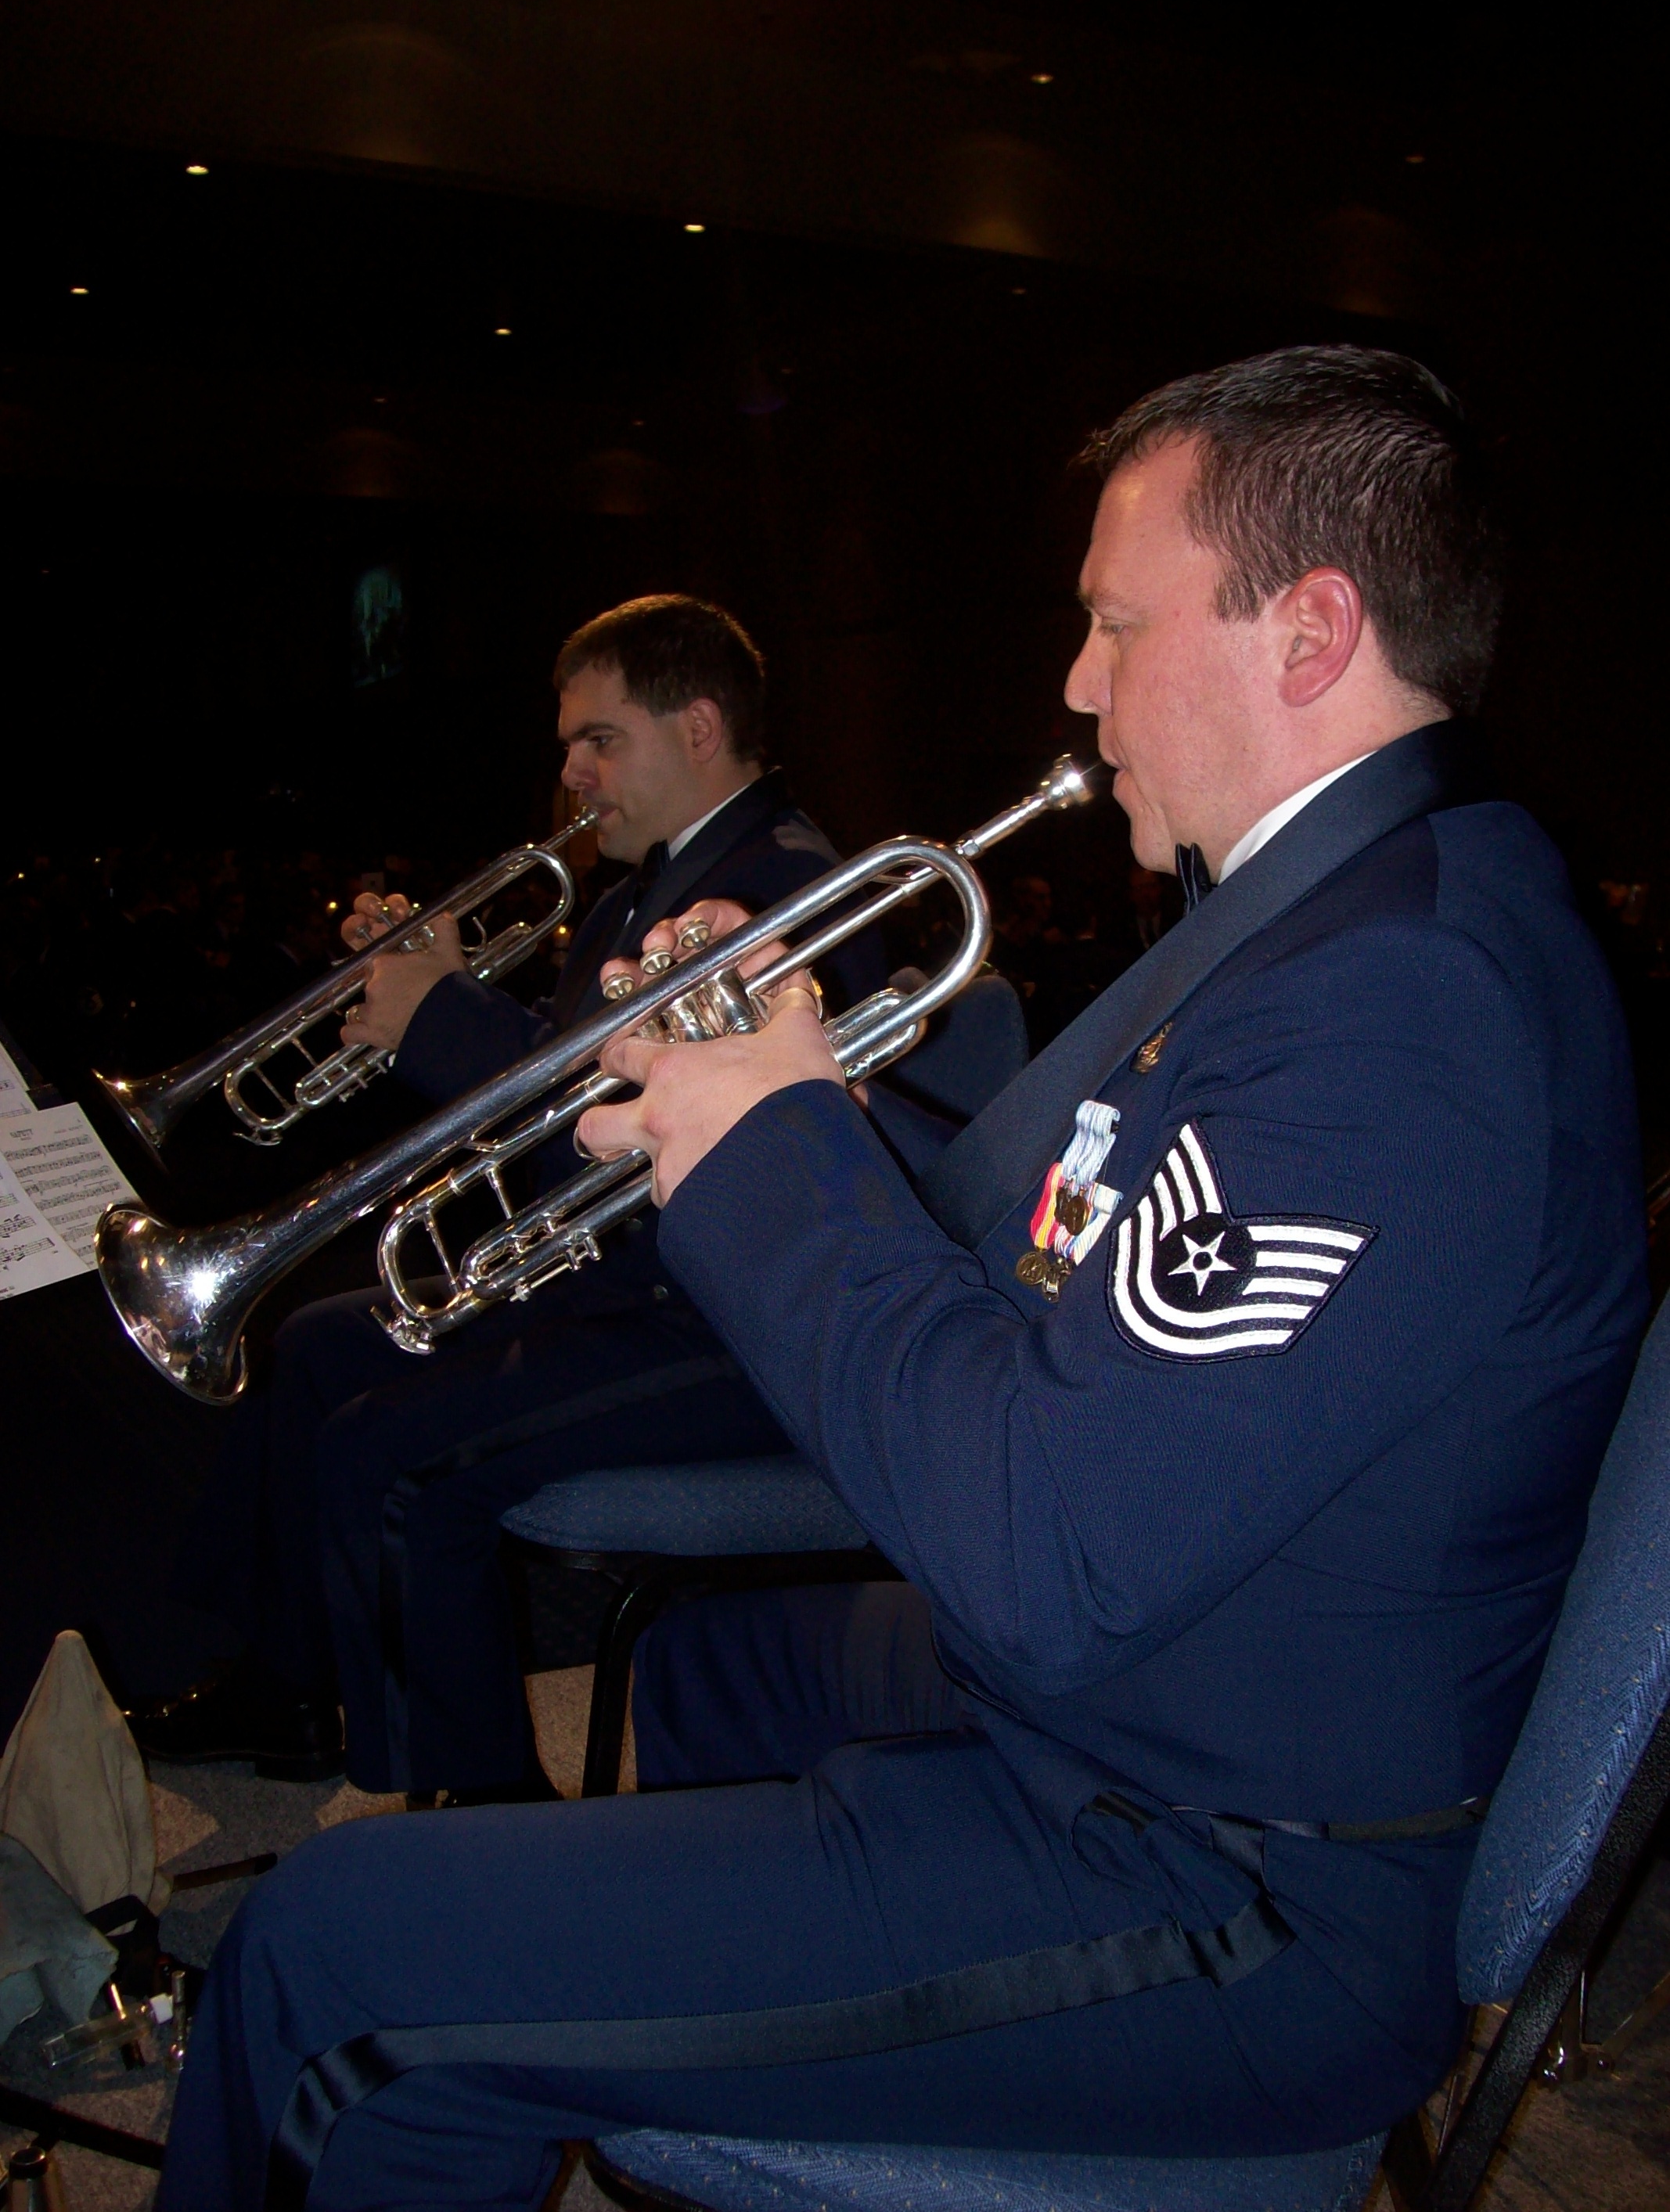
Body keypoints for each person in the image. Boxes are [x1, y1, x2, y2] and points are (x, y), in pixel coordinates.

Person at [158, 347, 1646, 2209]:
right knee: (699, 1675)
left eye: (1114, 624)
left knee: (339, 1951)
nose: (1074, 680)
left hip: (1237, 1875)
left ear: (1309, 630)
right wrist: (803, 1060)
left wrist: (760, 1148)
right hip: (1172, 1703)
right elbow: (1044, 1269)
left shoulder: (1400, 1009)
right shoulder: (1335, 917)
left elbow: (1042, 1555)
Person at [139, 594, 884, 1804]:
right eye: (568, 748)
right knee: (320, 1348)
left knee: (394, 1459)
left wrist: (445, 1020)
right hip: (629, 1282)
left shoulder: (791, 889)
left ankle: (477, 1804)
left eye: (600, 741)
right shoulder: (629, 896)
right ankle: (289, 1685)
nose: (574, 774)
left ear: (697, 728)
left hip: (727, 1325)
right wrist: (425, 991)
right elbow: (554, 1085)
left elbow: (624, 1137)